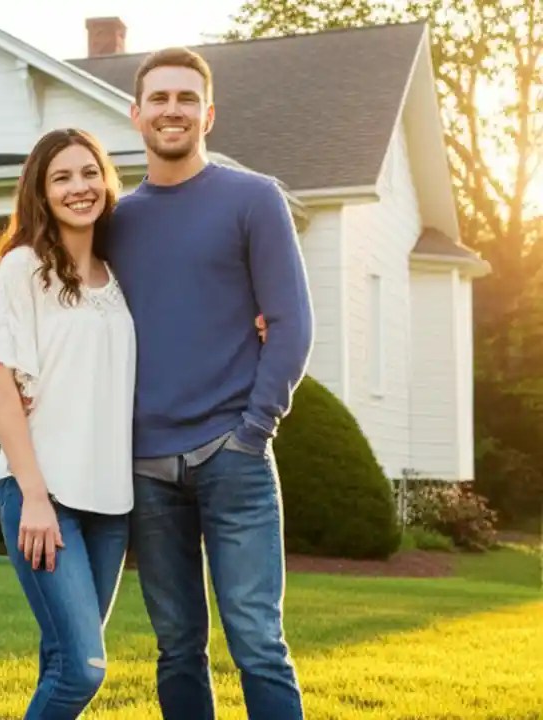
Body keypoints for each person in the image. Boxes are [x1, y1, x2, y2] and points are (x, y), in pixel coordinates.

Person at [105, 47, 315, 719]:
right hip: (145, 466)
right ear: (135, 115)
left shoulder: (253, 198)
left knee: (257, 641)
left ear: (209, 113)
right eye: (160, 98)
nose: (173, 110)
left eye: (186, 98)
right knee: (176, 647)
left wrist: (254, 431)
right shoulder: (115, 221)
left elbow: (290, 323)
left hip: (235, 455)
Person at [0, 127, 136, 719]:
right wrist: (36, 498)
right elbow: (1, 390)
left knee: (61, 661)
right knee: (84, 670)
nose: (79, 187)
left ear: (106, 181)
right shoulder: (24, 269)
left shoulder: (119, 278)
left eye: (90, 172)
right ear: (41, 193)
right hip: (43, 495)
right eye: (62, 177)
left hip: (111, 504)